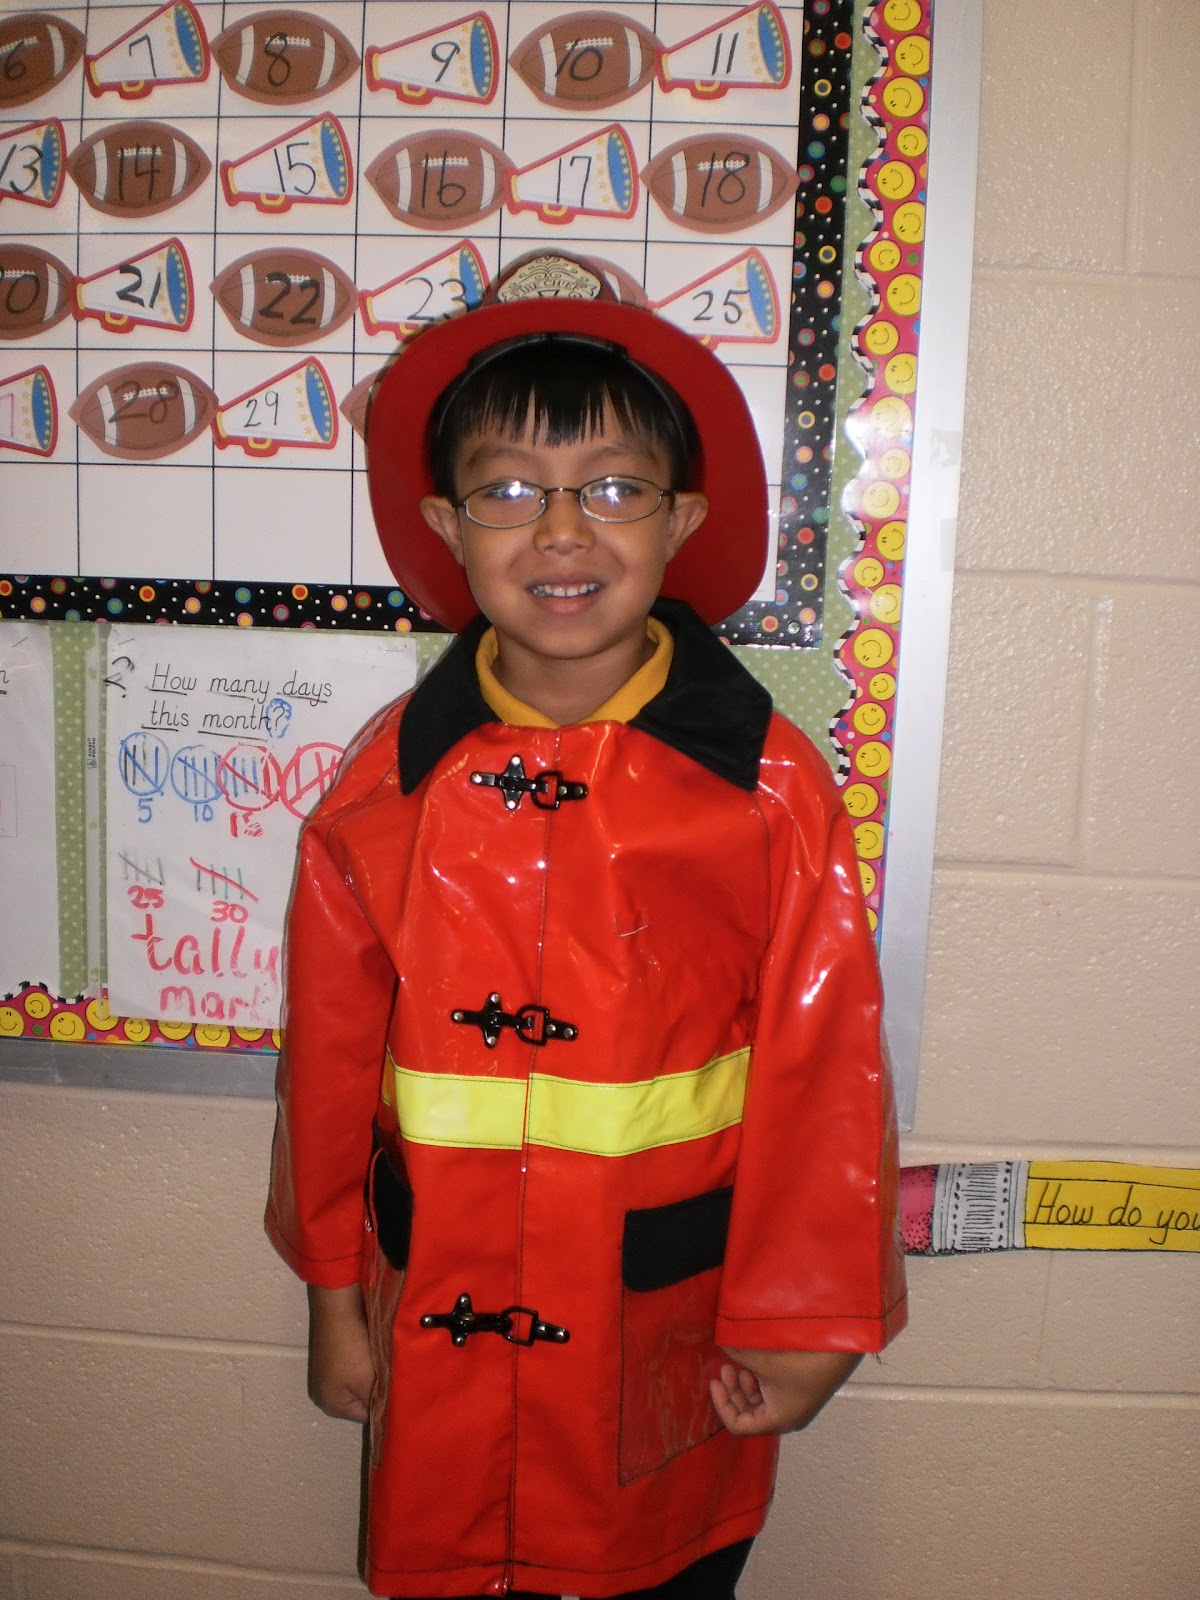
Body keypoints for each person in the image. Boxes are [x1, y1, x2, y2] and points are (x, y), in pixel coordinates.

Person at [267, 250, 907, 1600]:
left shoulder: (764, 783)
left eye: (613, 488)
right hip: (435, 1334)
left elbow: (827, 1070)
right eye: (510, 490)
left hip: (665, 1332)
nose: (563, 532)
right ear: (446, 522)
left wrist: (812, 1326)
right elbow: (327, 1067)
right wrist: (335, 1295)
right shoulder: (390, 783)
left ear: (682, 516)